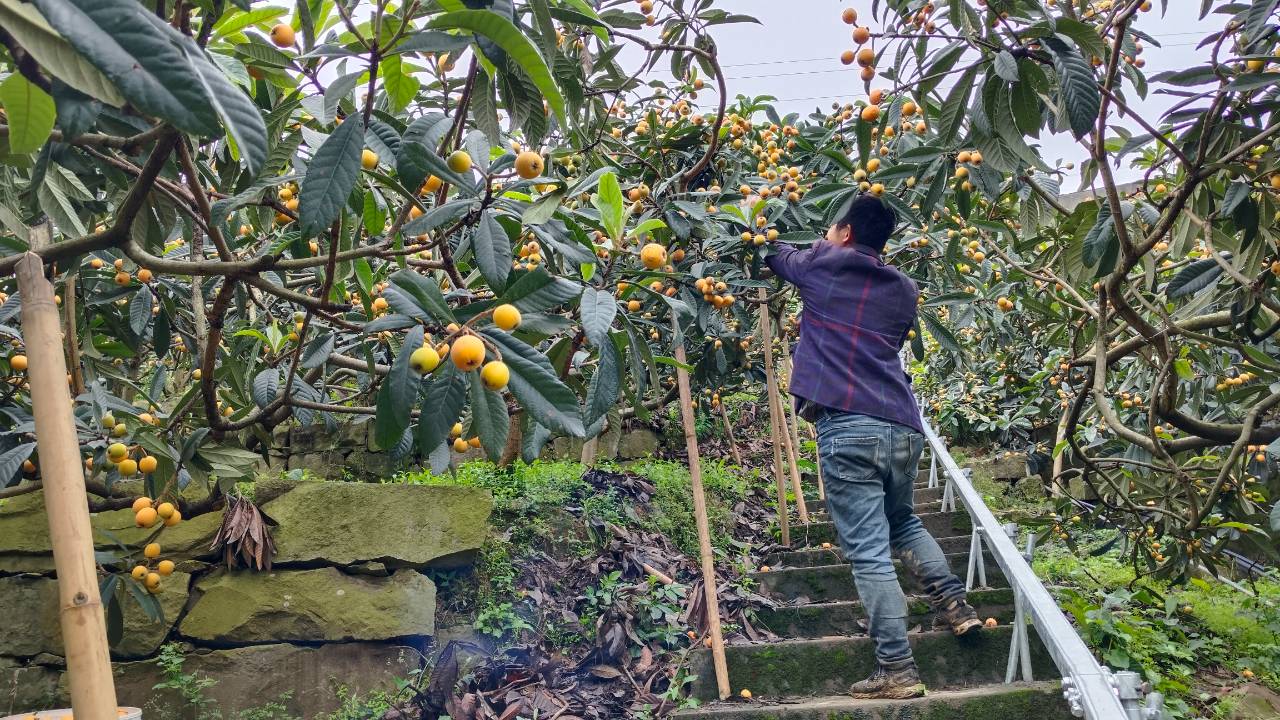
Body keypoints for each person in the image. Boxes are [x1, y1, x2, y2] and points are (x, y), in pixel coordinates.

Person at [763, 194, 982, 700]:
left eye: (830, 229)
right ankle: (956, 605)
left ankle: (897, 669)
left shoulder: (824, 263)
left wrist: (773, 229)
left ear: (843, 232)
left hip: (848, 425)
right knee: (902, 520)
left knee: (868, 552)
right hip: (903, 424)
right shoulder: (903, 288)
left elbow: (774, 256)